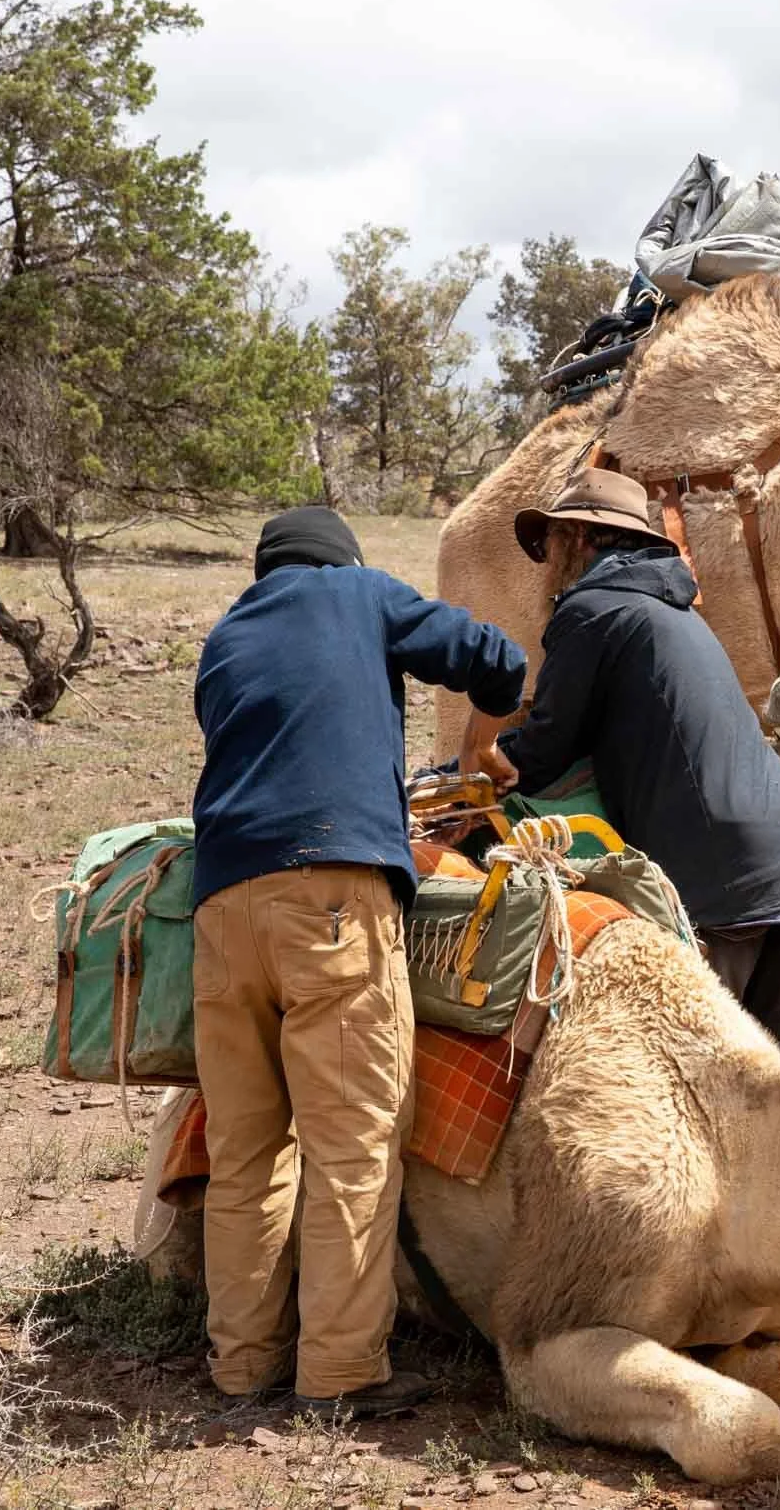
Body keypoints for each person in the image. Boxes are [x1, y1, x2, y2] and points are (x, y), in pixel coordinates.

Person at [190, 506, 526, 1420]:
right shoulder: (360, 594)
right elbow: (499, 661)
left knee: (246, 1150)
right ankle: (340, 1370)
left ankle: (242, 1363)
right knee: (351, 1136)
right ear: (342, 561)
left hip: (219, 910)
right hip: (330, 897)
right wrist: (480, 746)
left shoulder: (227, 636)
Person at [468, 468, 780, 1059]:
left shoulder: (590, 609)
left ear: (583, 539)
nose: (549, 561)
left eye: (556, 541)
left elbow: (545, 748)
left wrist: (487, 764)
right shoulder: (673, 609)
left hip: (720, 874)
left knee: (713, 1068)